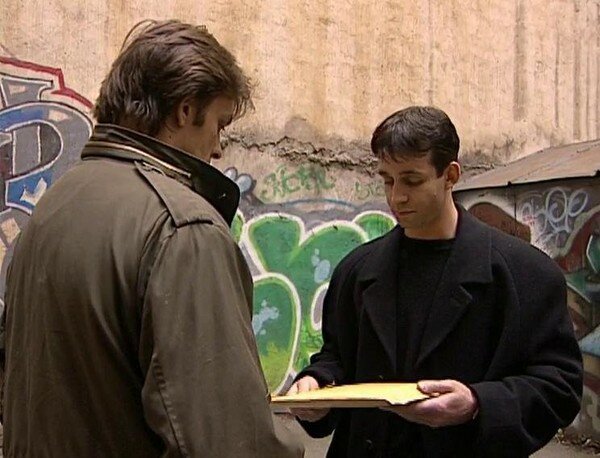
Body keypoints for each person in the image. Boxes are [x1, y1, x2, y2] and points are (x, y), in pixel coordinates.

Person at [3, 19, 303, 457]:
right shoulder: (182, 227)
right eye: (219, 124)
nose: (218, 148)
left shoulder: (55, 204)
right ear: (184, 110)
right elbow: (227, 442)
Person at [288, 106, 583, 457]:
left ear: (450, 175)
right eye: (387, 180)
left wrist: (476, 403)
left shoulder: (527, 274)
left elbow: (559, 386)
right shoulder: (357, 269)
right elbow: (337, 356)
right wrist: (317, 383)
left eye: (412, 180)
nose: (396, 196)